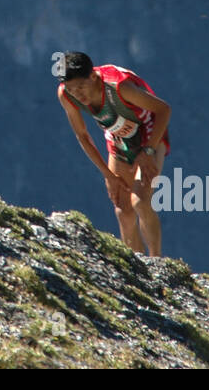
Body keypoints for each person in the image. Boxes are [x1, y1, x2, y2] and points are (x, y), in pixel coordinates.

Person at [57, 51, 172, 256]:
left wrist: (148, 150)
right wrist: (108, 175)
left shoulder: (120, 87)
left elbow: (163, 110)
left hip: (150, 136)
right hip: (118, 140)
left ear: (93, 76)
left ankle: (157, 265)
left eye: (81, 86)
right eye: (72, 89)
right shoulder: (66, 94)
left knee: (141, 202)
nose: (78, 94)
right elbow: (83, 136)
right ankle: (137, 268)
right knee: (123, 210)